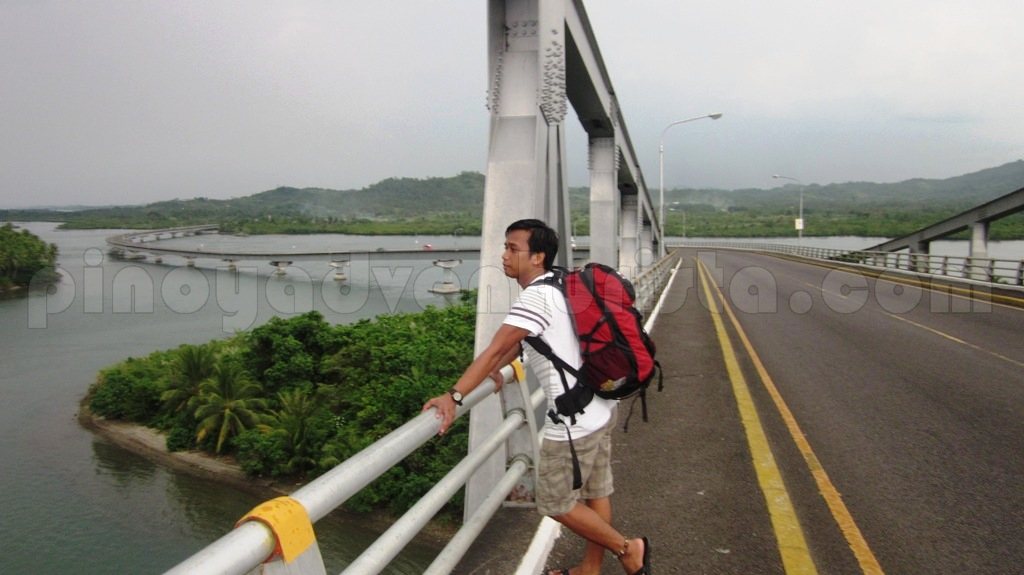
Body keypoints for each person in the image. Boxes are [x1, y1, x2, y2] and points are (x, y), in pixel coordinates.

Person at [422, 219, 651, 575]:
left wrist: (453, 396)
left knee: (555, 502)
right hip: (601, 406)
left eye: (513, 249)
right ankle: (590, 568)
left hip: (573, 423)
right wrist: (503, 366)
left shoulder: (536, 296)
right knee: (596, 492)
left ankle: (627, 550)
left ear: (538, 257)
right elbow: (530, 344)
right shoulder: (560, 284)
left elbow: (496, 348)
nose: (504, 255)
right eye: (505, 247)